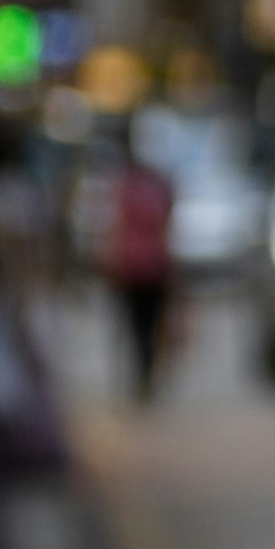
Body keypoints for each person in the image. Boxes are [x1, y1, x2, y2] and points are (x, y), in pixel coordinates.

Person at [98, 123, 183, 400]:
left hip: (135, 267)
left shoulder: (129, 186)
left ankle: (141, 376)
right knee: (144, 326)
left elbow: (117, 227)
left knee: (137, 327)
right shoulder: (154, 187)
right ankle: (143, 375)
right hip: (148, 266)